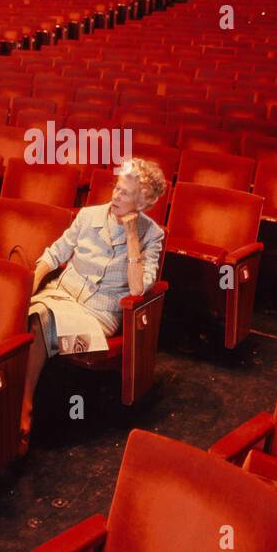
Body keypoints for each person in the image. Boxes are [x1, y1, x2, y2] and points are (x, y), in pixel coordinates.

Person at [18, 157, 167, 457]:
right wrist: (23, 294)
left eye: (125, 193)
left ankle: (23, 411)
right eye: (116, 188)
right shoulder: (88, 216)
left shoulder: (152, 235)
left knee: (37, 325)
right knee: (21, 321)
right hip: (60, 296)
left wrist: (132, 236)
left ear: (143, 202)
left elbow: (138, 288)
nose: (115, 196)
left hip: (96, 324)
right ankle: (14, 410)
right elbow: (52, 255)